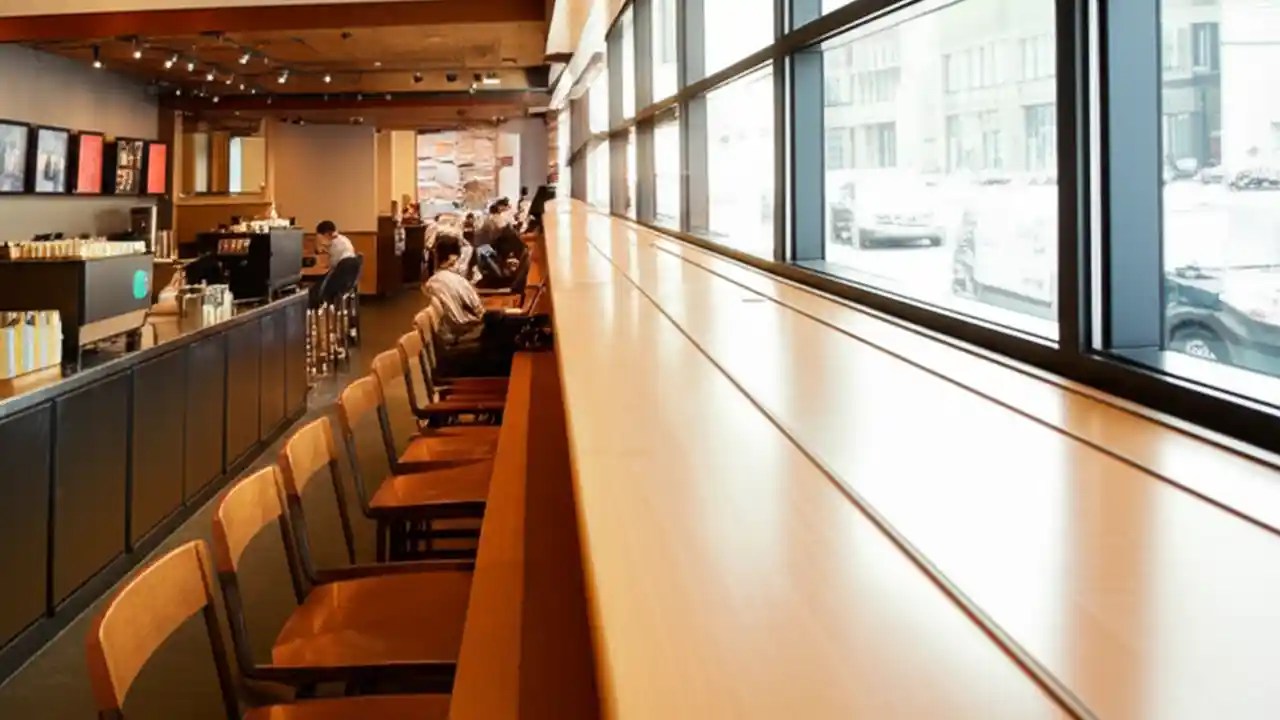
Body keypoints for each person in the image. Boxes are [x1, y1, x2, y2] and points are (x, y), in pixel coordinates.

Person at [422, 233, 517, 376]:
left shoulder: (431, 283)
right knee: (507, 335)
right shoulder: (457, 280)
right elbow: (478, 311)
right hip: (464, 341)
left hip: (450, 343)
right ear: (453, 258)